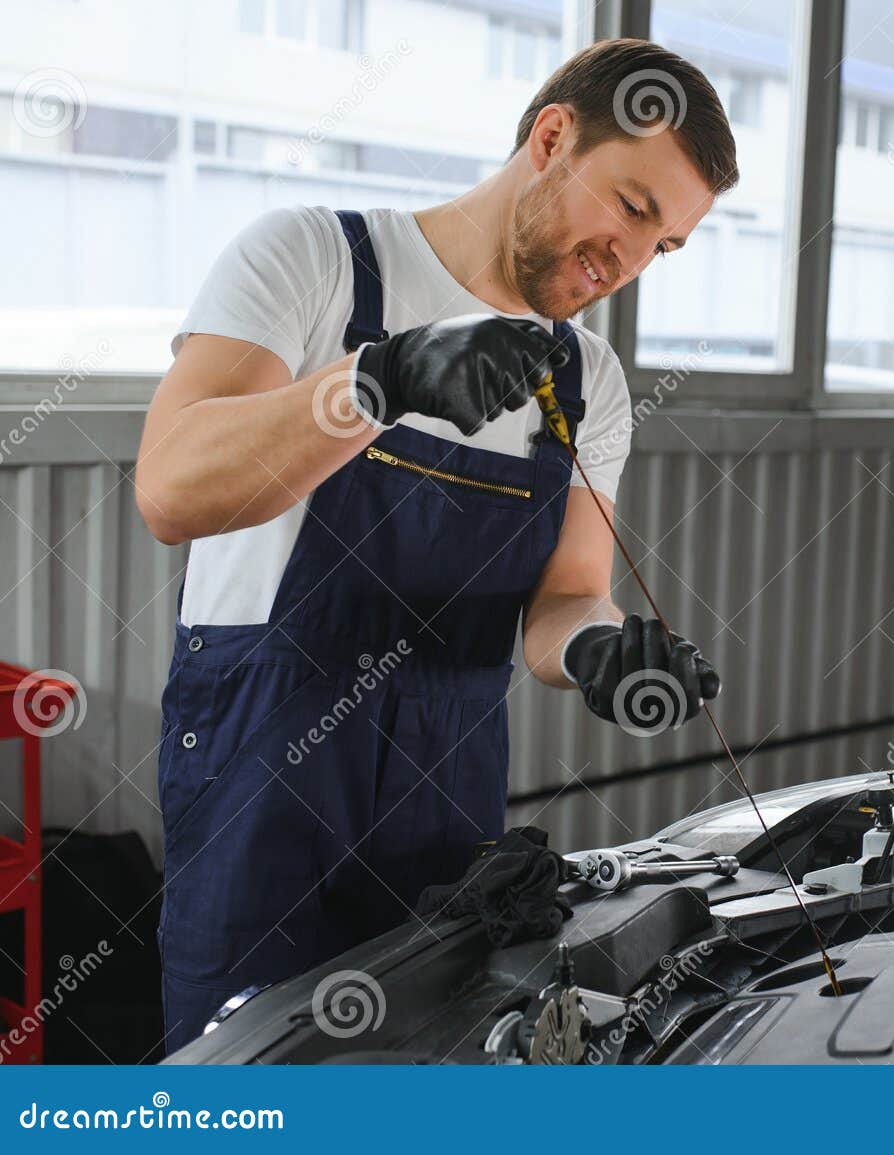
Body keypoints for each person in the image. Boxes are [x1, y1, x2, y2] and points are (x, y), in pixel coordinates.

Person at [133, 38, 736, 1051]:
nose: (626, 265)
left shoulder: (585, 379)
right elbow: (170, 489)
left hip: (443, 792)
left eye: (661, 248)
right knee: (242, 1078)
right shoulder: (312, 258)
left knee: (432, 1067)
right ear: (552, 138)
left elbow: (568, 595)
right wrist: (377, 384)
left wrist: (597, 646)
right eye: (633, 210)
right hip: (261, 777)